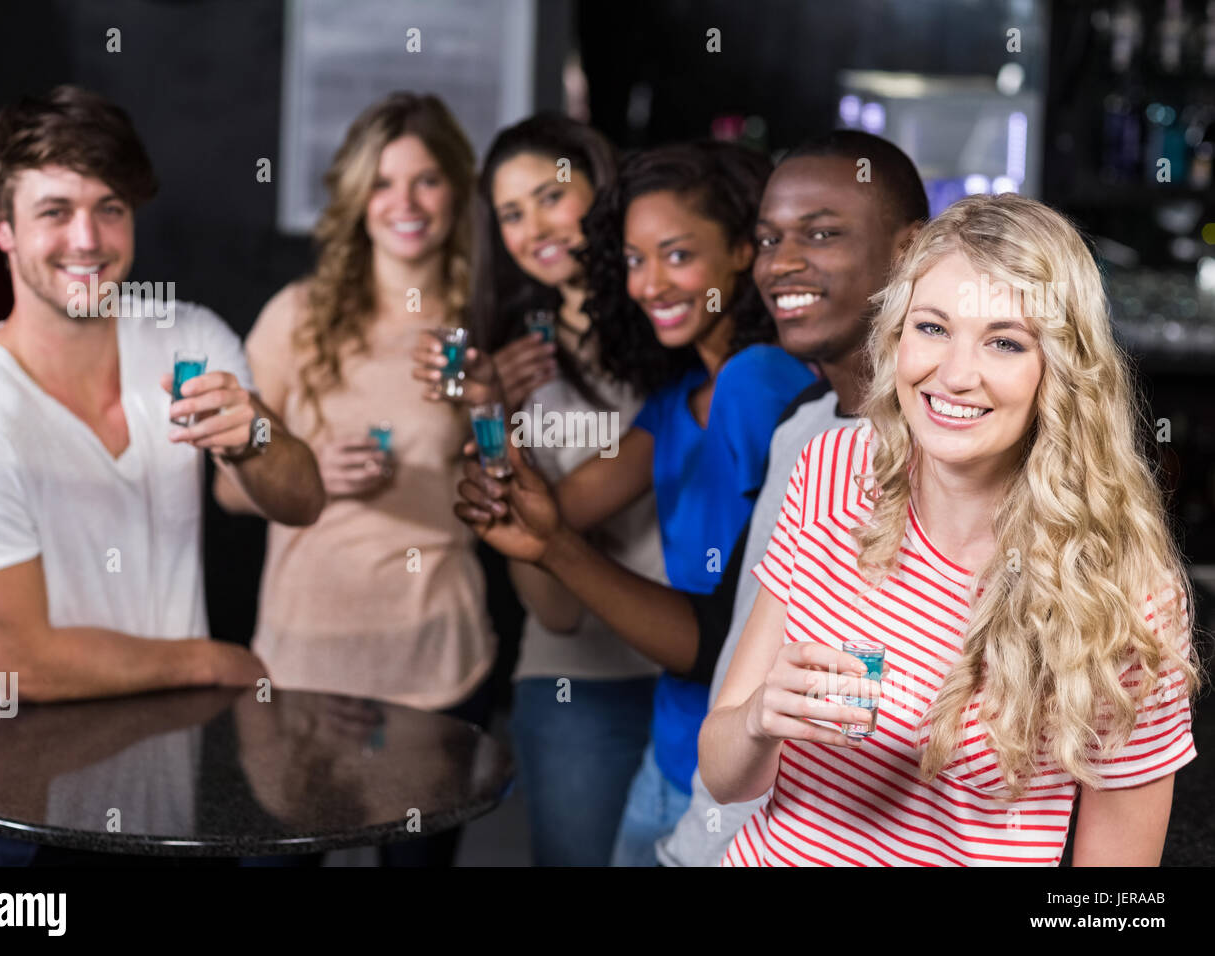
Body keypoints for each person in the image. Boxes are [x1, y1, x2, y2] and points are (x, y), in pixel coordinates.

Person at [454, 131, 929, 865]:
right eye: (635, 261)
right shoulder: (712, 403)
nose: (648, 284)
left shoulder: (767, 388)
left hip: (762, 789)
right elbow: (554, 511)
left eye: (677, 255)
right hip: (688, 757)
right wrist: (490, 420)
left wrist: (552, 543)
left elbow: (718, 642)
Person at [702, 192, 1203, 866]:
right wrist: (763, 717)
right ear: (897, 336)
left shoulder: (1123, 591)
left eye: (1004, 341)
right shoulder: (831, 469)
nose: (955, 375)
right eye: (932, 328)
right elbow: (724, 776)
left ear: (1059, 369)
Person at [0, 85, 324, 866]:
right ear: (0, 225)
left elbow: (300, 500)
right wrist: (212, 662)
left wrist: (256, 439)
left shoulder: (186, 338)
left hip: (171, 781)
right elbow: (18, 664)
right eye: (54, 211)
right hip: (26, 809)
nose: (88, 238)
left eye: (110, 208)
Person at [219, 92, 494, 867]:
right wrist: (307, 475)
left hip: (434, 667)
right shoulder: (294, 318)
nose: (404, 203)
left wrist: (490, 409)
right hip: (299, 668)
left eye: (427, 180)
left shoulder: (483, 327)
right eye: (382, 182)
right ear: (356, 196)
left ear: (457, 192)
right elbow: (227, 492)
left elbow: (511, 490)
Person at [465, 113, 668, 866]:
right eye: (511, 214)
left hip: (705, 674)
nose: (534, 228)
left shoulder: (680, 327)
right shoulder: (517, 366)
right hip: (575, 684)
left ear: (600, 186)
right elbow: (554, 604)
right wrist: (490, 416)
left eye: (550, 196)